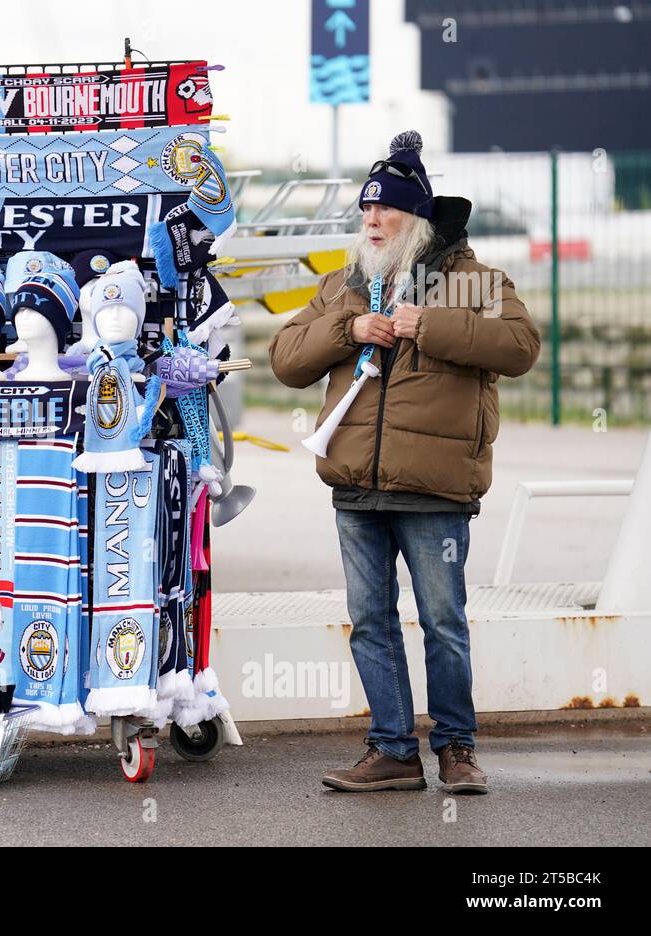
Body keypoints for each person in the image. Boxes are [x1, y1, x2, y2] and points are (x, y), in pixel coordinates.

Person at [268, 131, 541, 795]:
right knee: (371, 624)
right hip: (356, 486)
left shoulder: (476, 282)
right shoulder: (343, 286)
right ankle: (391, 751)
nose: (371, 219)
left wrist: (429, 325)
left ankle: (456, 751)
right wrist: (348, 328)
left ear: (416, 218)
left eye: (385, 208)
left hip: (436, 491)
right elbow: (284, 358)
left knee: (443, 625)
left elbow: (521, 344)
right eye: (366, 209)